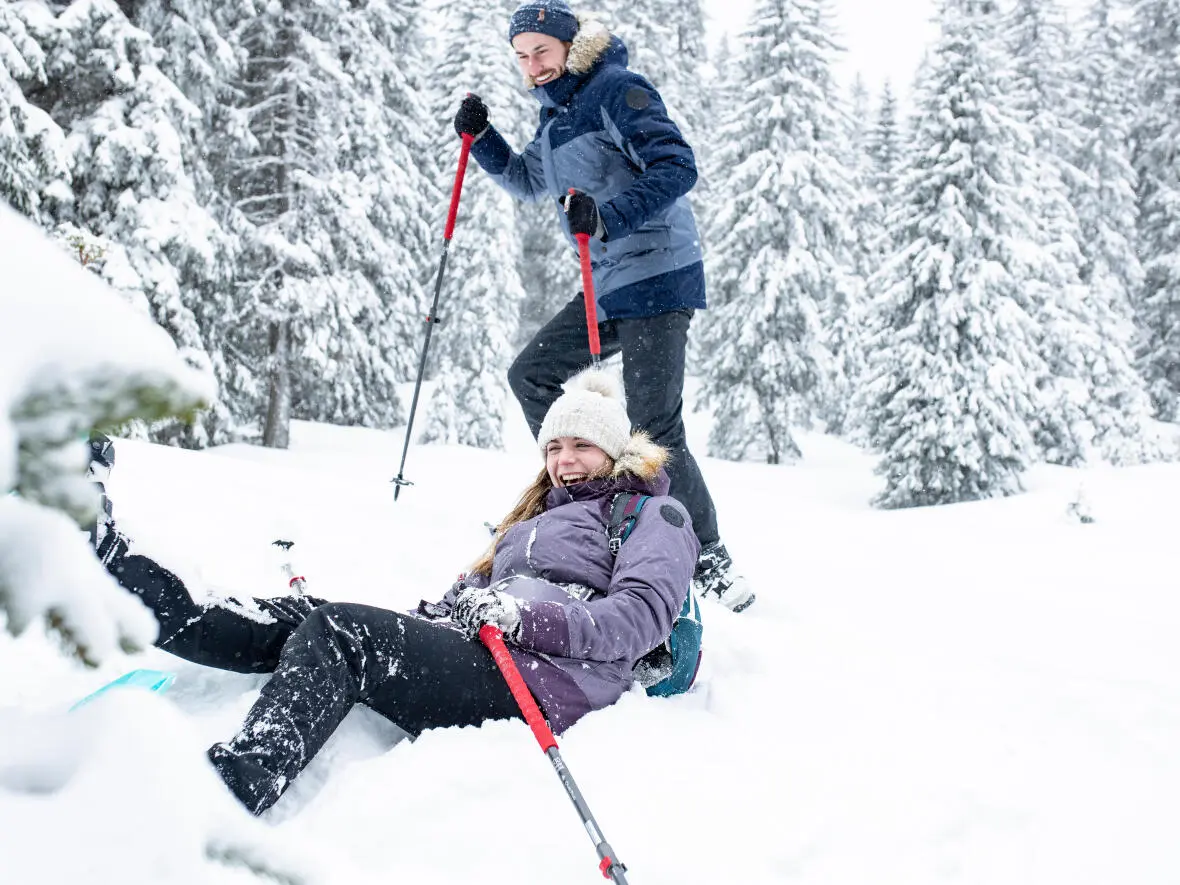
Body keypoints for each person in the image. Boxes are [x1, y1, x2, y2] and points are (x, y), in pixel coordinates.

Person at [90, 370, 697, 815]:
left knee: (344, 636)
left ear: (616, 450)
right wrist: (449, 608)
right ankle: (116, 566)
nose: (565, 461)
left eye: (580, 446)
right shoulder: (533, 520)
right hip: (485, 650)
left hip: (544, 686)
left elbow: (638, 619)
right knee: (307, 618)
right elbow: (466, 597)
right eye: (554, 447)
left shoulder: (653, 516)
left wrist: (521, 618)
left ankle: (221, 797)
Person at [451, 0, 754, 613]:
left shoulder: (618, 90)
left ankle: (711, 560)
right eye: (522, 56)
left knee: (655, 425)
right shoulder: (556, 117)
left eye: (541, 51)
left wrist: (608, 216)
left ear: (569, 47)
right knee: (530, 374)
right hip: (608, 282)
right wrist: (481, 138)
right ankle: (589, 500)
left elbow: (677, 166)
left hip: (659, 273)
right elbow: (523, 180)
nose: (532, 65)